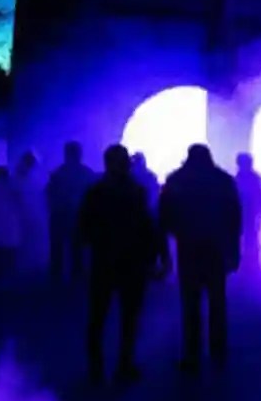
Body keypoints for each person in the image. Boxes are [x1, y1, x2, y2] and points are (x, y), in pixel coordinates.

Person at [79, 145, 164, 385]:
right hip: (132, 264)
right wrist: (156, 258)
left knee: (98, 317)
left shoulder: (95, 192)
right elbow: (148, 226)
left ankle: (96, 369)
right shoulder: (136, 192)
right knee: (129, 318)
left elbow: (84, 227)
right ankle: (124, 365)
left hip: (104, 262)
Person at [159, 144, 242, 373]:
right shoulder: (223, 180)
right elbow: (234, 217)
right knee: (217, 301)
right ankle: (218, 351)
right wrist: (234, 250)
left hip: (189, 247)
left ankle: (192, 354)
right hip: (216, 248)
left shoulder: (177, 179)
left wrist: (164, 250)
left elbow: (164, 214)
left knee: (190, 303)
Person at [46, 141, 97, 282]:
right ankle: (76, 277)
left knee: (59, 249)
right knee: (77, 250)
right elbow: (94, 196)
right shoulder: (86, 173)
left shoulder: (58, 173)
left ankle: (56, 278)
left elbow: (49, 194)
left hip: (61, 216)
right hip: (77, 217)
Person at [234, 153, 261, 274]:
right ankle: (251, 264)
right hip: (248, 214)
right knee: (250, 238)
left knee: (250, 238)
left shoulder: (239, 179)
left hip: (249, 214)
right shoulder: (256, 178)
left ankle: (250, 264)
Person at [13, 152, 47, 273]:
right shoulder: (25, 177)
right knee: (30, 241)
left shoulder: (22, 176)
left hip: (28, 214)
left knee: (29, 241)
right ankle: (30, 267)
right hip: (29, 214)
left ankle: (29, 266)